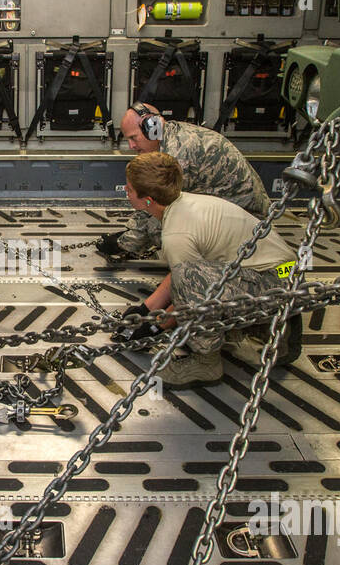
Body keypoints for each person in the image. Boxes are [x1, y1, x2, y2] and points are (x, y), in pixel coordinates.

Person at [119, 152, 300, 388]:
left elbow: (186, 282)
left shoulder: (178, 233)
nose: (125, 189)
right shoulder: (184, 201)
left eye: (130, 189)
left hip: (279, 282)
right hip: (285, 272)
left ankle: (205, 363)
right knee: (188, 276)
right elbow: (179, 273)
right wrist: (147, 309)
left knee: (189, 280)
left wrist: (155, 327)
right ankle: (265, 329)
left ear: (149, 200)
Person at [97, 102, 270, 258]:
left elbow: (157, 206)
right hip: (234, 211)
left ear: (153, 128)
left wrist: (124, 244)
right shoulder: (173, 136)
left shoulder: (177, 154)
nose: (131, 146)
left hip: (247, 222)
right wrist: (129, 231)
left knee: (160, 228)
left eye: (133, 138)